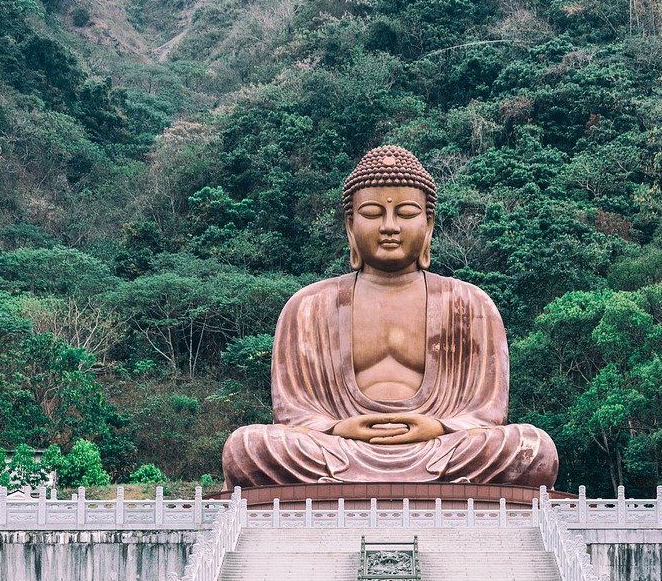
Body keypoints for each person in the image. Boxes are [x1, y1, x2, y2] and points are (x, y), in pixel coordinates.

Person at [222, 145, 558, 489]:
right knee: (247, 446)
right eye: (371, 213)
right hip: (339, 446)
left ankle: (362, 481)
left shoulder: (470, 304)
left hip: (439, 447)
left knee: (531, 447)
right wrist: (337, 428)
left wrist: (440, 427)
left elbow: (487, 413)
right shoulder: (308, 305)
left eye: (407, 213)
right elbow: (293, 413)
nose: (389, 226)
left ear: (428, 225)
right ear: (350, 226)